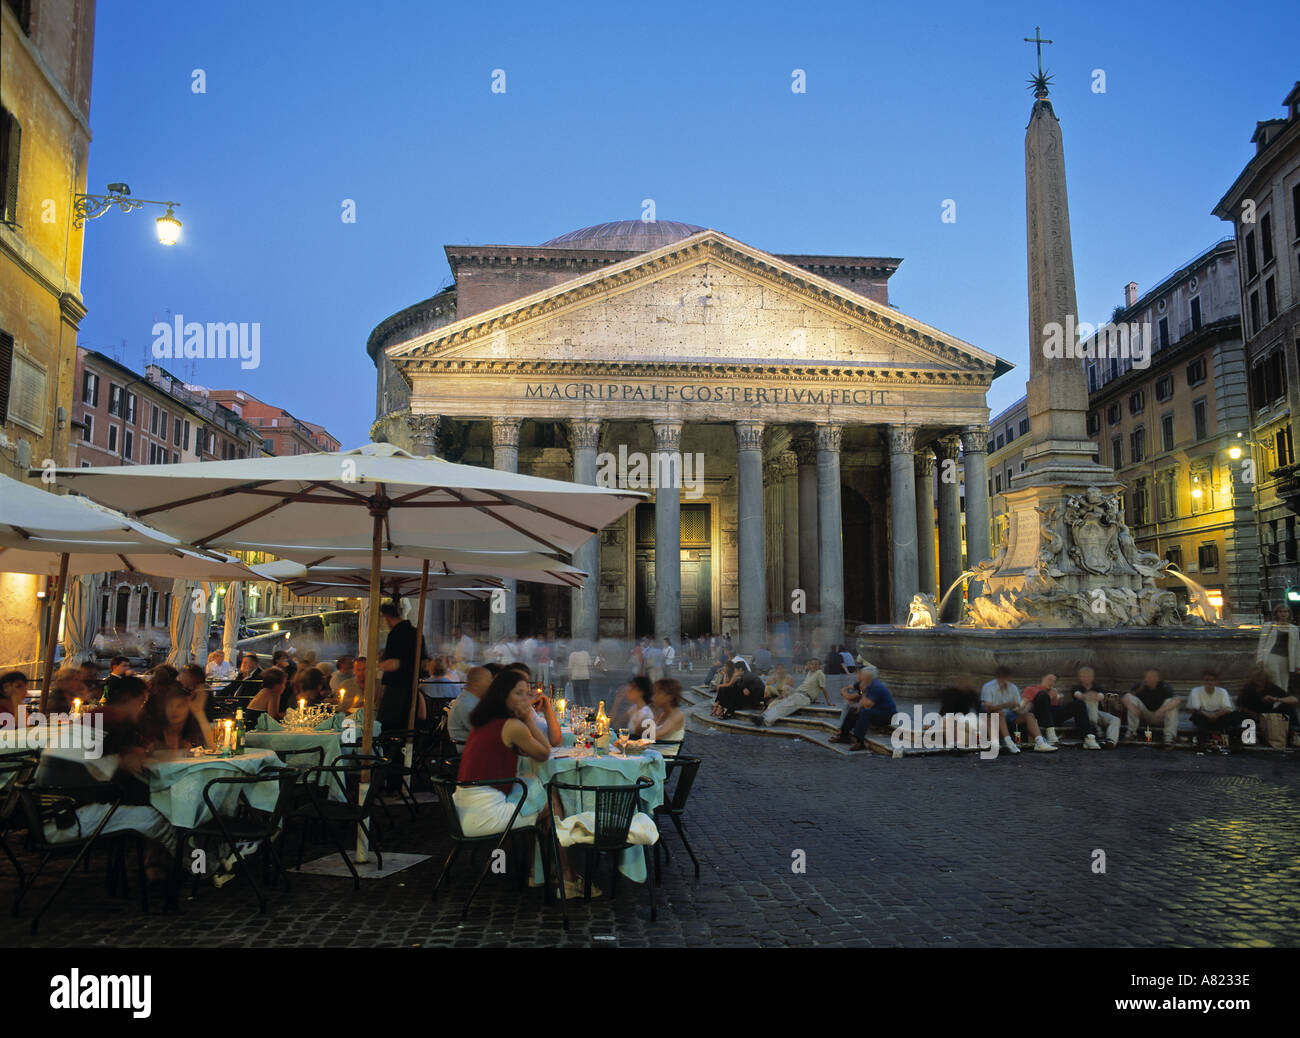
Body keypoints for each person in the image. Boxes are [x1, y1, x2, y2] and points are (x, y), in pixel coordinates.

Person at [454, 670, 591, 896]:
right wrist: (528, 719)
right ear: (503, 696)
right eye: (519, 694)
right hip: (485, 815)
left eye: (527, 693)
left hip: (463, 809)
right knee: (552, 801)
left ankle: (536, 871)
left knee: (539, 793)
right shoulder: (512, 726)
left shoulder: (485, 722)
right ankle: (565, 875)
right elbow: (544, 752)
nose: (526, 699)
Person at [34, 674, 176, 881]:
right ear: (134, 699)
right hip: (67, 819)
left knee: (146, 802)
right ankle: (199, 869)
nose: (142, 707)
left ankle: (162, 866)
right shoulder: (113, 722)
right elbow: (136, 762)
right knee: (161, 817)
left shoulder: (94, 717)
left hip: (46, 815)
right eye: (142, 701)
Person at [980, 666, 1057, 754]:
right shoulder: (988, 687)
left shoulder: (1012, 688)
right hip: (992, 714)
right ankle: (1009, 742)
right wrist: (1006, 704)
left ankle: (1040, 742)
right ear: (998, 678)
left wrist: (1023, 708)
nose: (1006, 681)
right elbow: (988, 708)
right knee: (999, 713)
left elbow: (1018, 708)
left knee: (1029, 715)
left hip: (1010, 714)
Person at [375, 601, 424, 731]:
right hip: (412, 690)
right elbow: (423, 663)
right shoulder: (417, 634)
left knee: (387, 729)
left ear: (387, 617)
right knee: (406, 729)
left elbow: (393, 664)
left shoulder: (395, 634)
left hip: (396, 693)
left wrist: (380, 664)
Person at [831, 666, 899, 750]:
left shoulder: (876, 686)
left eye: (862, 675)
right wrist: (857, 707)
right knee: (854, 710)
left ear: (868, 677)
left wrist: (862, 693)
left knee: (865, 712)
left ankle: (859, 741)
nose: (859, 676)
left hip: (888, 715)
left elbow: (867, 705)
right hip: (878, 711)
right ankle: (843, 735)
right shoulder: (868, 684)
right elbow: (861, 702)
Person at [1187, 669, 1248, 754]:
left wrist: (1215, 715)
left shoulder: (1222, 691)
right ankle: (1201, 744)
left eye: (1211, 680)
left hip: (1219, 717)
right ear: (1203, 681)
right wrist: (1209, 716)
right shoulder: (1196, 691)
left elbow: (1227, 708)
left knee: (1235, 716)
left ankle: (1235, 745)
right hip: (1203, 717)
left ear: (1216, 682)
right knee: (1197, 716)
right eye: (1206, 680)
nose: (1209, 683)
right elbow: (1196, 709)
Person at [757, 658, 829, 728]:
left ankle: (767, 720)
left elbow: (823, 688)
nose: (814, 666)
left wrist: (828, 702)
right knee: (783, 692)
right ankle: (764, 714)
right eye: (812, 664)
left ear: (819, 665)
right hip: (798, 692)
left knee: (785, 706)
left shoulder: (819, 673)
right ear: (809, 665)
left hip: (804, 697)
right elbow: (812, 686)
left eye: (816, 664)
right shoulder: (810, 673)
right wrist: (815, 698)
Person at [1236, 664, 1299, 742]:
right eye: (1257, 677)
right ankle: (1250, 738)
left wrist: (1276, 699)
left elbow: (1294, 699)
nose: (1259, 679)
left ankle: (1294, 732)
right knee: (1241, 716)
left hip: (1269, 717)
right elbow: (1240, 705)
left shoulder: (1271, 688)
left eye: (1261, 677)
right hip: (1252, 716)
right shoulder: (1248, 689)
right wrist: (1257, 716)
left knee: (1286, 706)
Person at [144, 684, 213, 752]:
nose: (174, 710)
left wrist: (199, 712)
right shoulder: (155, 731)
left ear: (188, 708)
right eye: (171, 705)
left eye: (180, 705)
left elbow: (212, 749)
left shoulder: (192, 730)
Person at [1121, 667, 1180, 746]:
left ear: (1157, 678)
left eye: (1150, 676)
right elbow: (1125, 698)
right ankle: (1132, 732)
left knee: (1171, 703)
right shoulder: (1140, 685)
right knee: (1131, 699)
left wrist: (1160, 711)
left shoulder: (1164, 686)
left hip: (1160, 716)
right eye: (1146, 676)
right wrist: (1133, 708)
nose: (1147, 679)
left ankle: (1169, 736)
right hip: (1144, 715)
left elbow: (1177, 700)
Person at [1070, 666, 1121, 750]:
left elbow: (1101, 697)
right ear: (1080, 677)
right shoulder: (1076, 687)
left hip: (1098, 713)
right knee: (1090, 701)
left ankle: (1110, 740)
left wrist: (1094, 696)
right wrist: (1089, 696)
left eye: (1089, 676)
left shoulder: (1097, 687)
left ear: (1092, 677)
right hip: (1084, 714)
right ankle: (1096, 728)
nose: (1087, 678)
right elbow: (1077, 695)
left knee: (1115, 720)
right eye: (1084, 676)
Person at [1255, 605, 1300, 692]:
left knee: (1285, 683)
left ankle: (1282, 703)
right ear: (1276, 614)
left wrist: (1298, 665)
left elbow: (1297, 647)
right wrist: (1260, 659)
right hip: (1272, 657)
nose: (1283, 614)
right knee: (1276, 682)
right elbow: (1262, 643)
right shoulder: (1269, 626)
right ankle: (1277, 702)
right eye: (1280, 611)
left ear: (1289, 613)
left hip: (1287, 659)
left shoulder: (1294, 629)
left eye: (1285, 611)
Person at [448, 666, 492, 750]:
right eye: (488, 681)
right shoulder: (466, 704)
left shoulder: (470, 701)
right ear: (476, 685)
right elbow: (484, 732)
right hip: (470, 751)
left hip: (475, 747)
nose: (491, 684)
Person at [651, 678, 685, 755]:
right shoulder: (662, 714)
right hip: (651, 756)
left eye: (658, 693)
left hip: (663, 761)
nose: (653, 697)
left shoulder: (677, 715)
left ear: (669, 697)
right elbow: (640, 730)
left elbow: (657, 735)